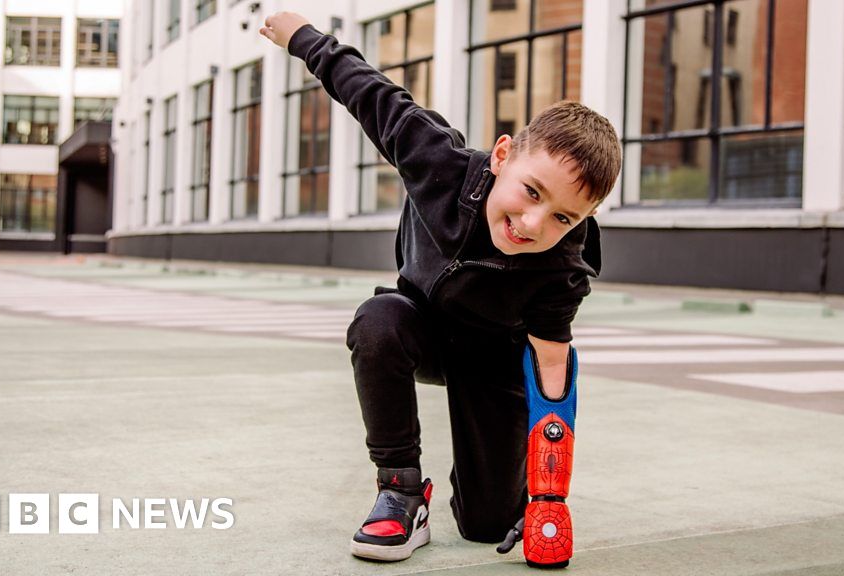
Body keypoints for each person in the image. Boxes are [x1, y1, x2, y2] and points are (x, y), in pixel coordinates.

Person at [260, 12, 621, 564]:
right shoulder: (439, 163)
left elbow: (552, 369)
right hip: (420, 327)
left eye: (563, 218)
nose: (533, 224)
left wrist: (548, 495)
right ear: (502, 156)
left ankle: (498, 497)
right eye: (531, 191)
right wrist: (303, 39)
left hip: (494, 358)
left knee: (487, 524)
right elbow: (371, 94)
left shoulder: (562, 268)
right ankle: (401, 492)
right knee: (378, 322)